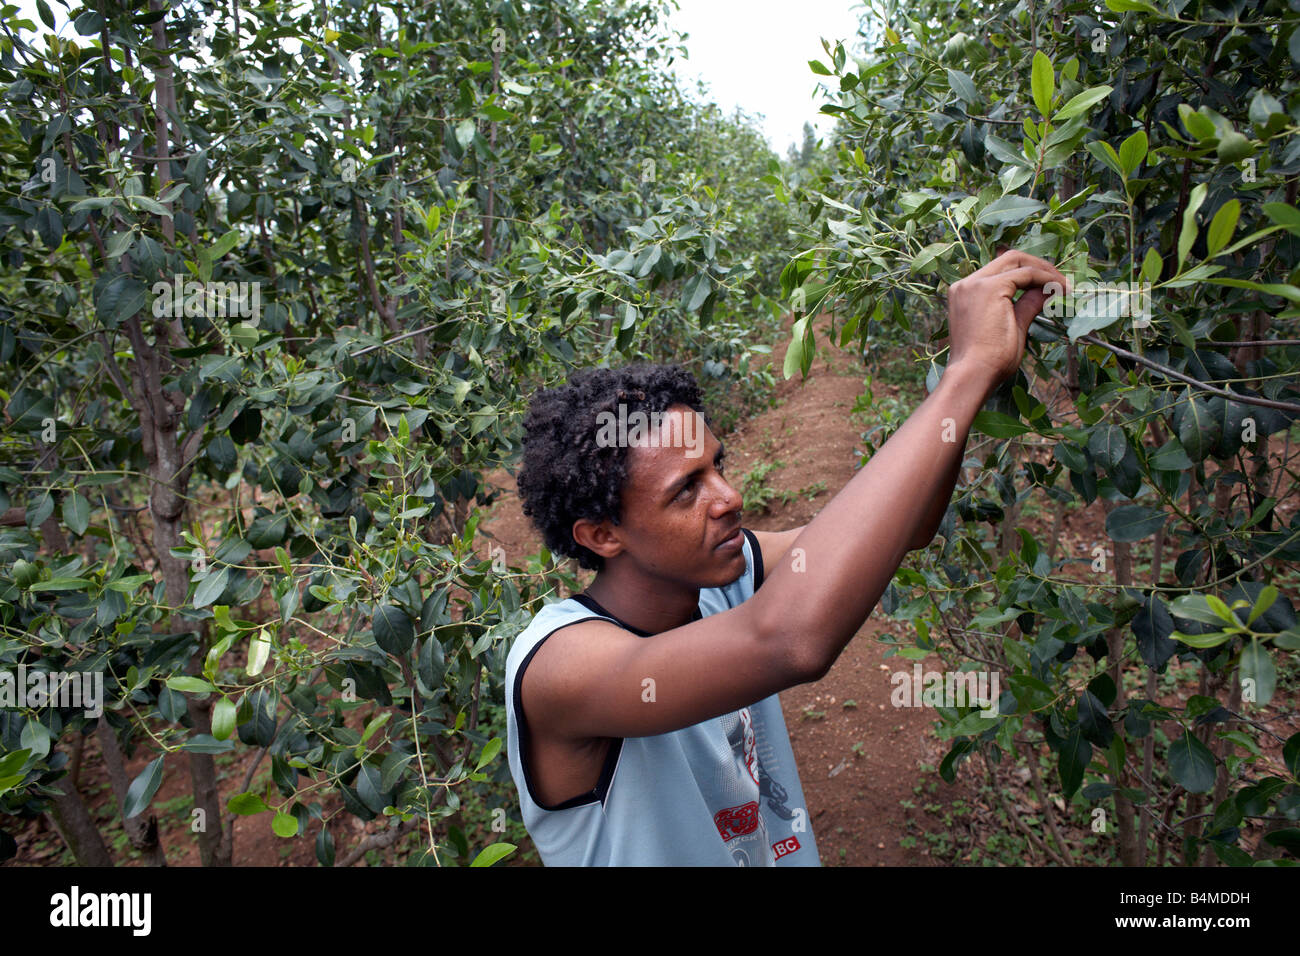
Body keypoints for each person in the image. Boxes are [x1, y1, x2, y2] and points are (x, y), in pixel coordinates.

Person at [504, 249, 1067, 865]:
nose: (729, 498)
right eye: (686, 490)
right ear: (602, 536)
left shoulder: (720, 577)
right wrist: (964, 373)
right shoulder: (560, 666)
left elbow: (907, 527)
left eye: (717, 466)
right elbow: (792, 642)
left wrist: (973, 384)